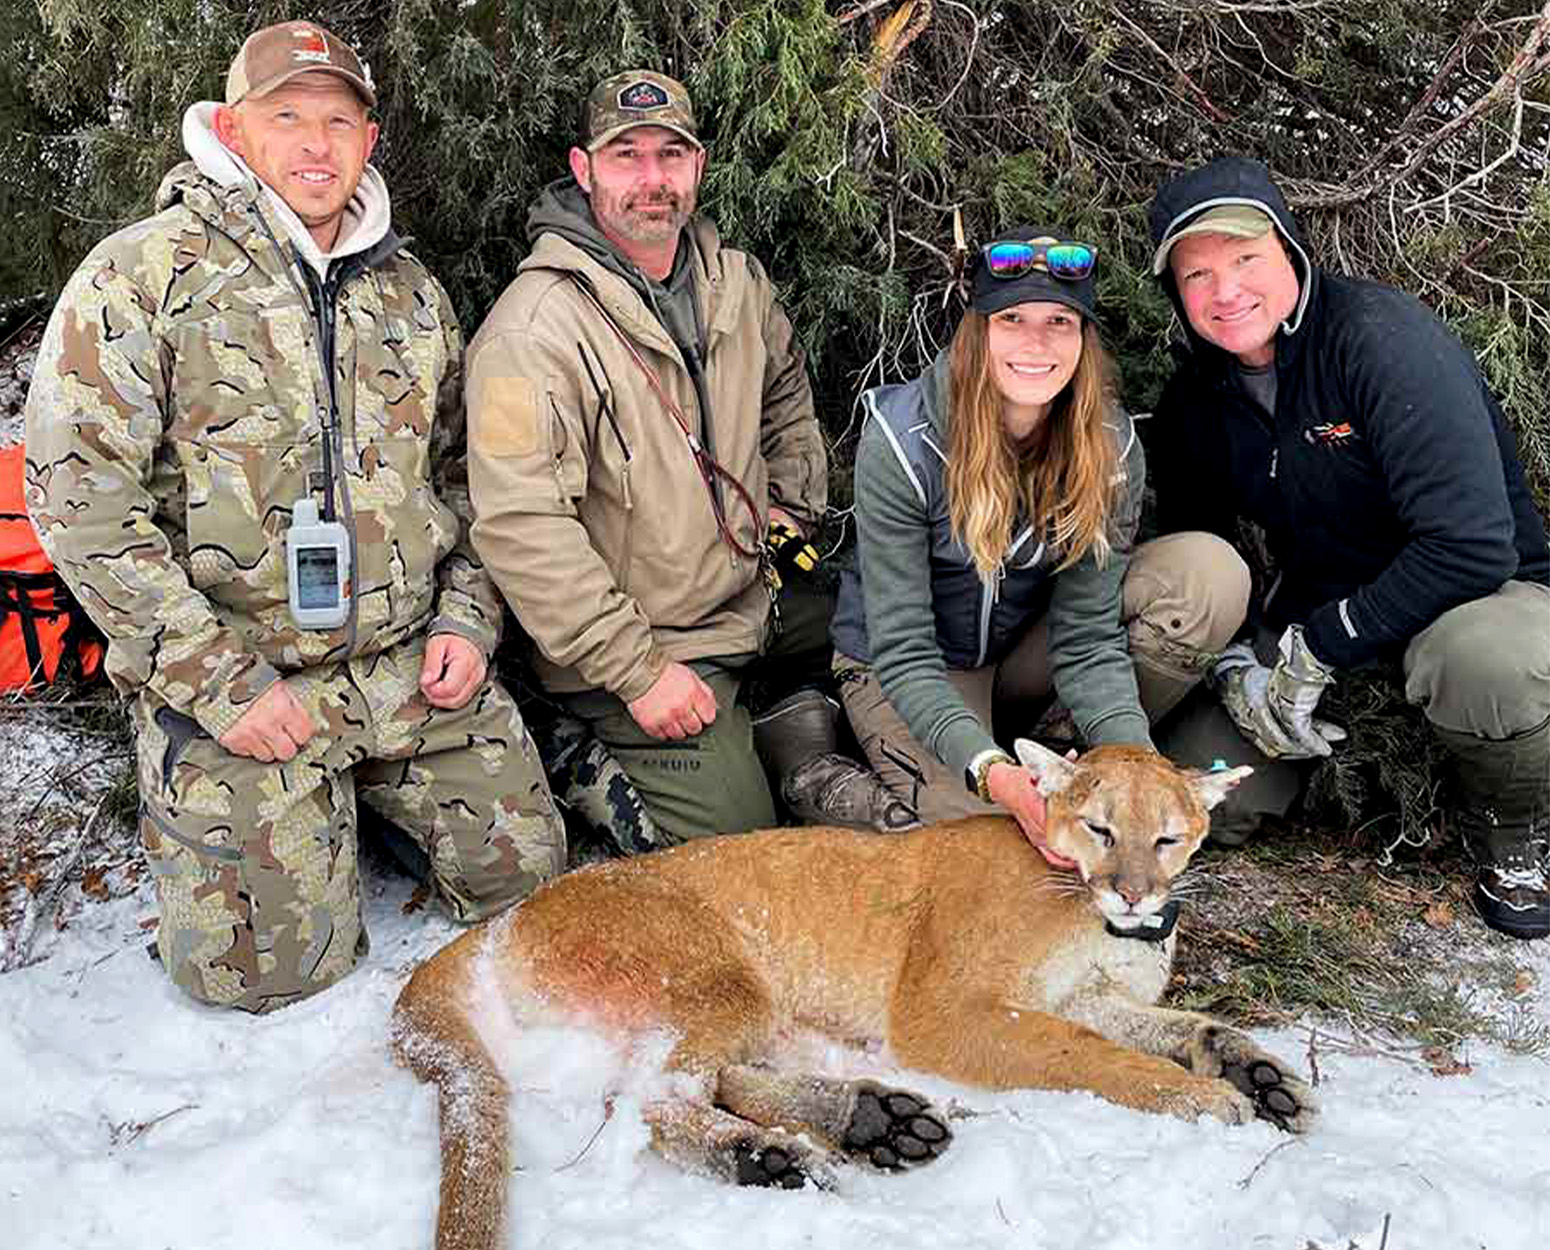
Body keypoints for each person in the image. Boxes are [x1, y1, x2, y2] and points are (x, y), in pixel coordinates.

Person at [23, 21, 566, 1012]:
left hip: (408, 670)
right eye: (286, 118)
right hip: (244, 685)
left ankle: (364, 806)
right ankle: (298, 817)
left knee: (530, 889)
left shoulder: (411, 292)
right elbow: (77, 497)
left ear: (367, 139)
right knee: (269, 985)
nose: (315, 144)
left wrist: (464, 622)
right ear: (234, 130)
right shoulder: (143, 273)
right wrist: (217, 681)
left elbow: (469, 480)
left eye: (337, 120)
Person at [466, 70, 913, 843]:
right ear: (583, 169)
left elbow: (786, 396)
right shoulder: (530, 330)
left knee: (891, 639)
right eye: (626, 156)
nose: (652, 180)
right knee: (737, 841)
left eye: (670, 156)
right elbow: (520, 524)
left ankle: (774, 723)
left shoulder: (735, 282)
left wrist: (791, 509)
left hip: (751, 592)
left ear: (698, 166)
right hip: (640, 643)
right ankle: (564, 744)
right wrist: (637, 671)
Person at [1147, 155, 1550, 940]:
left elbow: (1472, 547)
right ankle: (1336, 776)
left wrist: (1321, 646)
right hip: (1324, 610)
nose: (1226, 291)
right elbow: (1199, 543)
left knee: (1486, 663)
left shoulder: (1381, 340)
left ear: (1291, 253)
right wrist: (1238, 663)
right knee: (1203, 791)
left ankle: (1519, 834)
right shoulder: (1196, 395)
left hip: (1475, 600)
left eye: (1245, 259)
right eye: (1198, 275)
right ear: (1176, 292)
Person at [829, 228, 1250, 843]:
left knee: (1206, 577)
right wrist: (995, 775)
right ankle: (823, 773)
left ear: (1083, 338)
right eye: (1012, 319)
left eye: (1059, 321)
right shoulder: (900, 442)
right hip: (906, 667)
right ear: (978, 330)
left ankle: (1061, 761)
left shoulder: (1110, 447)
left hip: (1021, 654)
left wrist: (1135, 771)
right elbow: (904, 651)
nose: (1036, 342)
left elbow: (1086, 641)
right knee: (994, 841)